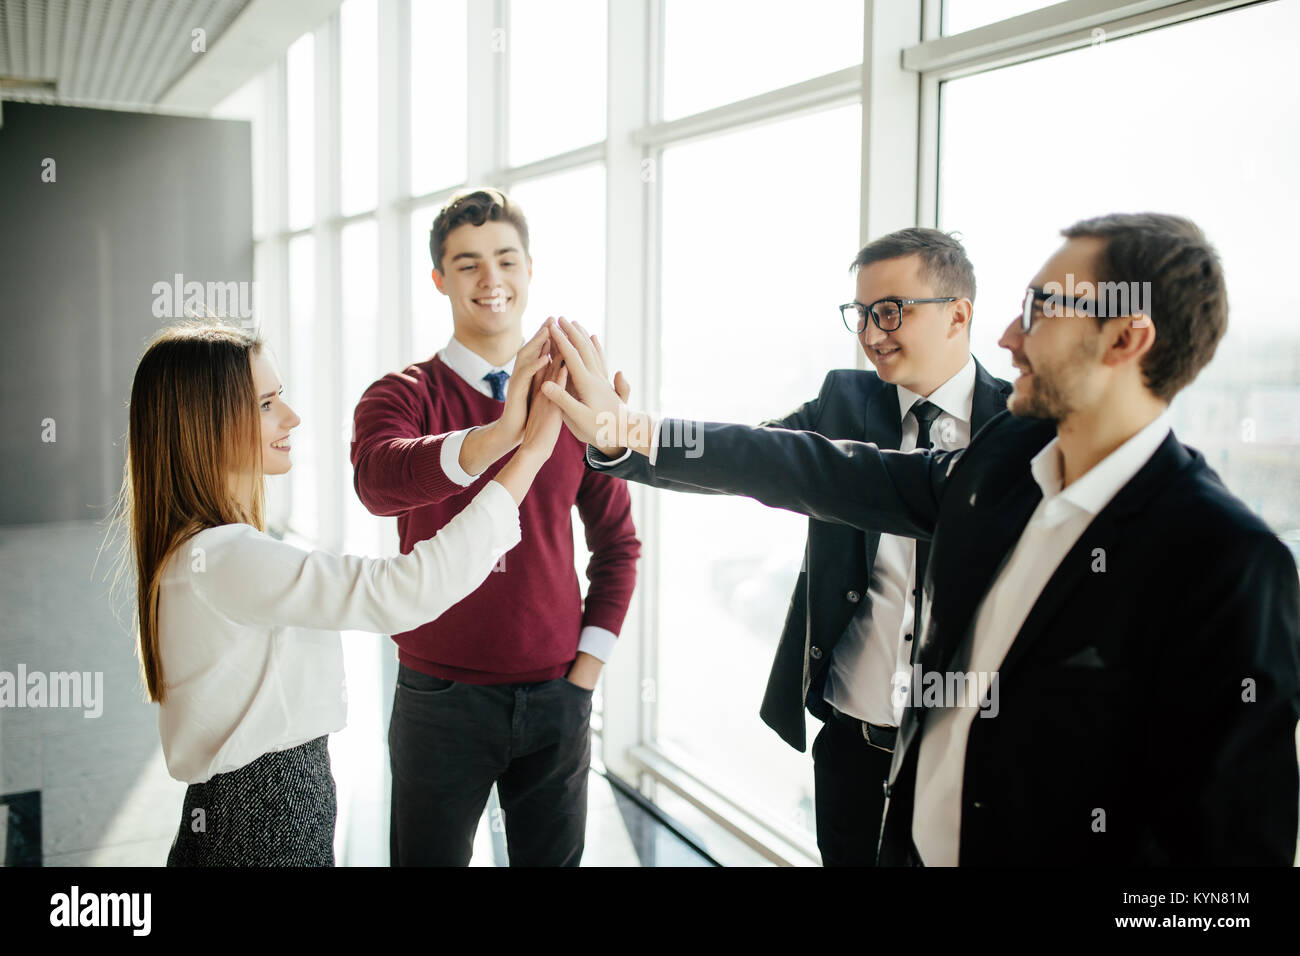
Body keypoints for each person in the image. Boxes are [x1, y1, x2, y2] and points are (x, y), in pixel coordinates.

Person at [543, 212, 1300, 866]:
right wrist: (630, 433)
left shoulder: (1224, 563)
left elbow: (1225, 868)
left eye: (1041, 311)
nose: (1009, 335)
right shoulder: (1000, 466)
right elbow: (807, 464)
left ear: (1128, 336)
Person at [587, 229, 1011, 865]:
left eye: (891, 310)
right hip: (851, 748)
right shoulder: (846, 400)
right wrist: (624, 440)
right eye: (861, 314)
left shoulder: (1014, 433)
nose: (872, 333)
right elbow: (750, 458)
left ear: (959, 314)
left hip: (966, 764)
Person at [115, 320, 568, 866]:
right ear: (203, 424)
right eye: (265, 404)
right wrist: (530, 452)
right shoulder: (226, 558)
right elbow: (401, 591)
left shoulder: (207, 552)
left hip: (252, 808)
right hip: (264, 819)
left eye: (279, 395)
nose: (291, 417)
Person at [351, 188, 641, 867]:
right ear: (439, 279)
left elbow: (619, 544)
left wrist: (586, 675)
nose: (491, 280)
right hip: (437, 698)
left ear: (529, 270)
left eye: (506, 260)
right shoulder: (403, 394)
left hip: (556, 695)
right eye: (468, 264)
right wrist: (504, 431)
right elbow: (378, 481)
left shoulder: (573, 398)